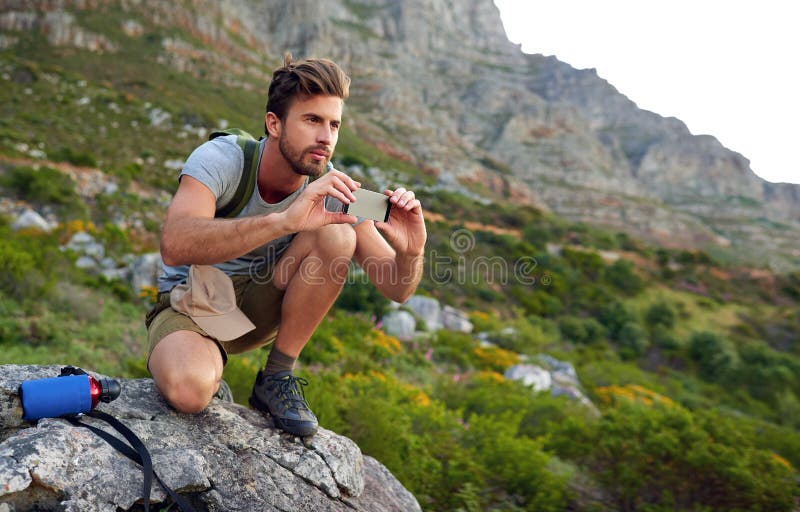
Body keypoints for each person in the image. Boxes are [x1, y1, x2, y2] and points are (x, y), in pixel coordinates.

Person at [144, 53, 427, 437]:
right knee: (189, 391)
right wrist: (282, 221)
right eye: (312, 120)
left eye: (334, 124)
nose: (326, 137)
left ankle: (276, 377)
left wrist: (411, 250)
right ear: (274, 124)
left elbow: (397, 288)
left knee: (337, 233)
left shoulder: (333, 187)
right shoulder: (224, 159)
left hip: (263, 304)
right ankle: (210, 376)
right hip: (196, 304)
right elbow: (174, 245)